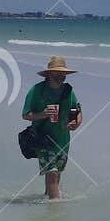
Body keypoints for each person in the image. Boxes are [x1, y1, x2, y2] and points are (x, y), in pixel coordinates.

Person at [20, 56, 82, 199]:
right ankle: (55, 207)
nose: (61, 76)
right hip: (43, 139)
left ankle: (48, 199)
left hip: (63, 140)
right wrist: (43, 114)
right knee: (52, 173)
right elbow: (26, 115)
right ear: (49, 74)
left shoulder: (68, 91)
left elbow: (77, 111)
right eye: (57, 73)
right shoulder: (37, 91)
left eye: (63, 74)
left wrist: (76, 123)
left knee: (57, 172)